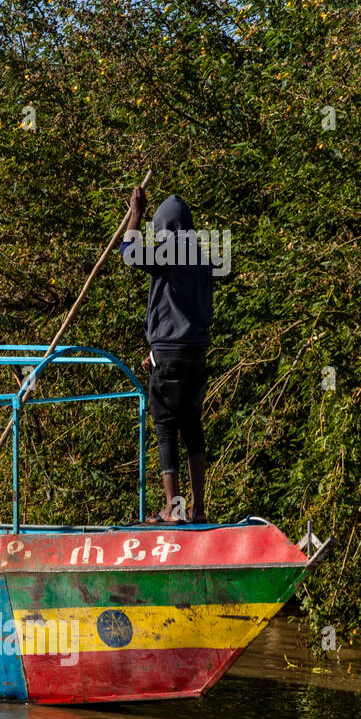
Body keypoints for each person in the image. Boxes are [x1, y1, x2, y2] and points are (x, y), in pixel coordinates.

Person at [122, 188, 214, 524]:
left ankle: (173, 510)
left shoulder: (169, 253)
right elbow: (179, 309)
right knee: (192, 427)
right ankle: (198, 510)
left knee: (165, 428)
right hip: (195, 354)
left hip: (170, 355)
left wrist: (135, 213)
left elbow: (129, 253)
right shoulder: (203, 259)